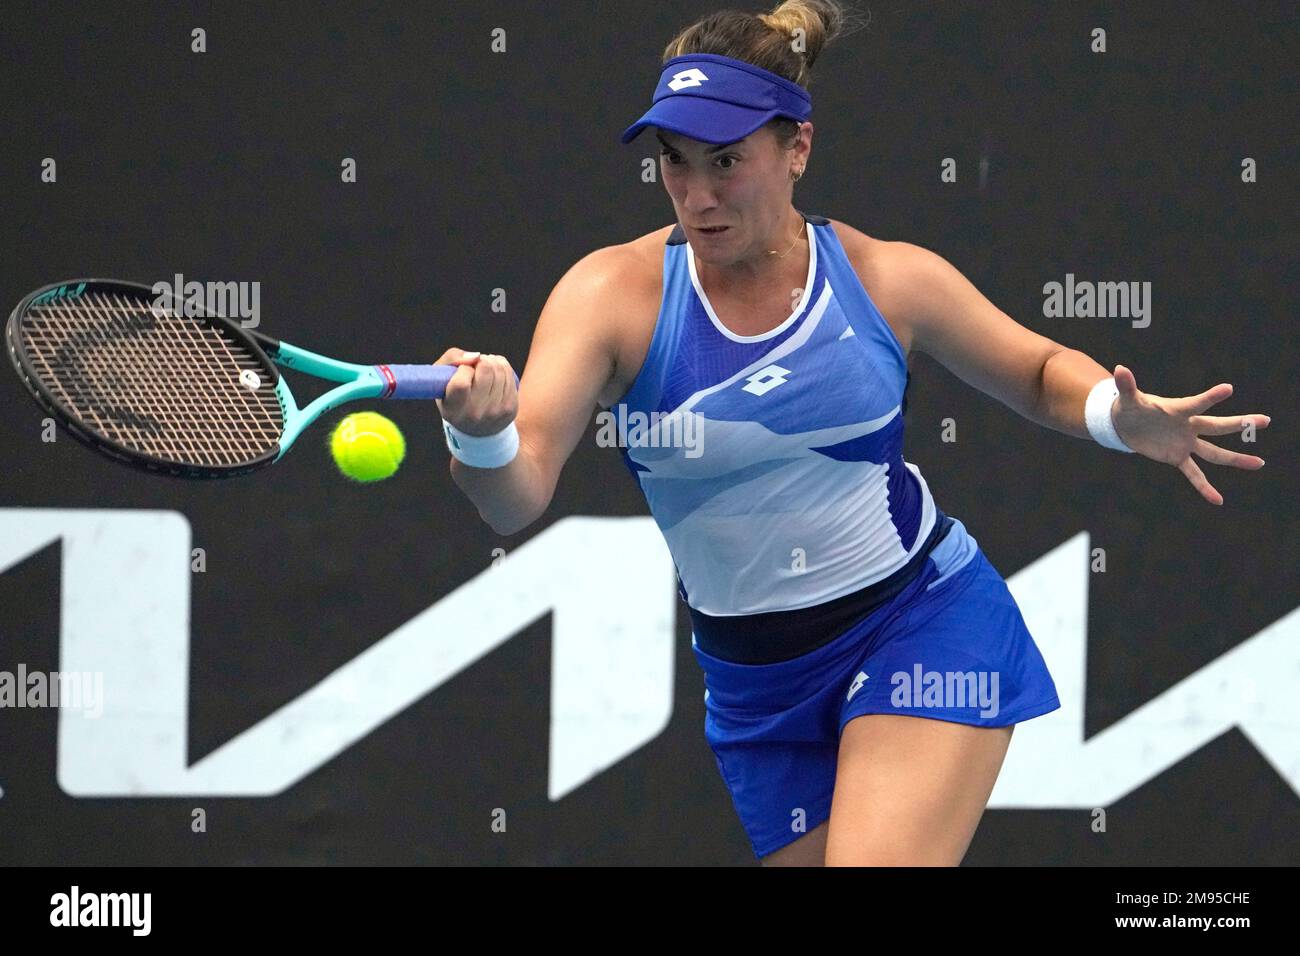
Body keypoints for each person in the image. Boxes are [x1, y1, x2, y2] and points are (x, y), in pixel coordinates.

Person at [434, 0, 1270, 865]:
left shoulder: (886, 281)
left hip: (919, 625)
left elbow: (1033, 369)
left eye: (727, 162)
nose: (697, 194)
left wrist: (1113, 415)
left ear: (798, 148)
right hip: (756, 686)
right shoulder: (611, 295)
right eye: (674, 163)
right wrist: (483, 437)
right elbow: (514, 496)